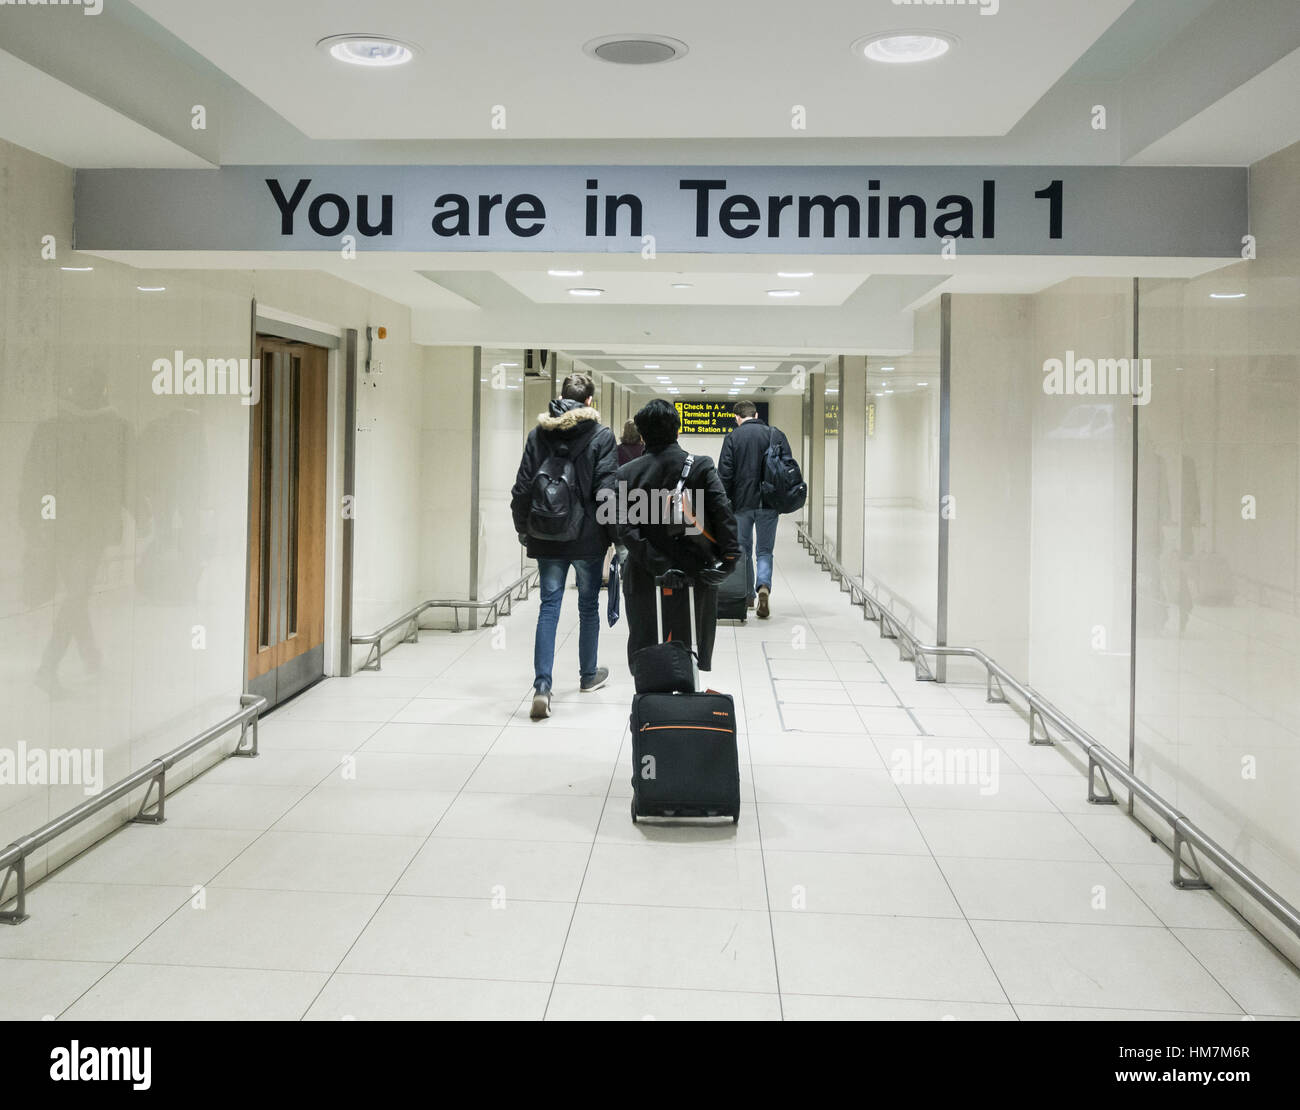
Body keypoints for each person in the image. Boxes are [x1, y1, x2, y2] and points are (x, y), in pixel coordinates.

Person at [511, 372, 618, 720]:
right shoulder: (602, 436)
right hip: (588, 539)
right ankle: (588, 676)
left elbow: (523, 487)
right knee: (588, 607)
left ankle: (542, 686)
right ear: (590, 402)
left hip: (547, 533)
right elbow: (606, 493)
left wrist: (524, 529)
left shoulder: (537, 434)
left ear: (561, 397)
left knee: (549, 607)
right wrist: (615, 537)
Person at [616, 399, 740, 671]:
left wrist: (657, 562)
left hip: (644, 574)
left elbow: (624, 528)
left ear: (643, 435)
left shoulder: (626, 474)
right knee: (691, 646)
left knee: (647, 645)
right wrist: (729, 559)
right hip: (696, 571)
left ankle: (651, 700)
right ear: (677, 430)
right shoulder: (701, 466)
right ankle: (688, 698)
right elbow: (722, 512)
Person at [717, 400, 793, 620]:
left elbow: (725, 475)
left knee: (743, 549)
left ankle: (748, 595)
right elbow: (788, 468)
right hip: (769, 503)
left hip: (741, 505)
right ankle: (764, 587)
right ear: (757, 414)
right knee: (765, 551)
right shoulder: (774, 434)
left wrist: (725, 504)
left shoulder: (732, 438)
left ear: (737, 418)